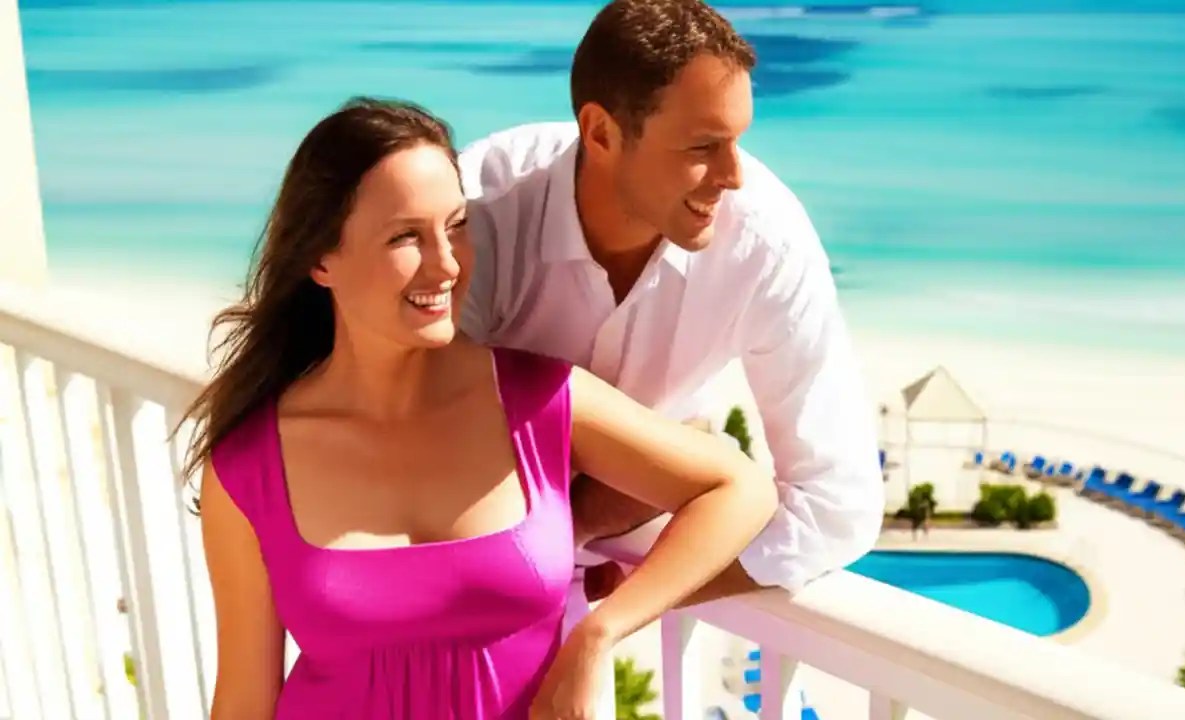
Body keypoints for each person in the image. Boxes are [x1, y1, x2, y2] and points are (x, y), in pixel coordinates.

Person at [181, 97, 776, 720]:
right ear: (320, 259)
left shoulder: (538, 401)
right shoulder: (250, 469)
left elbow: (736, 488)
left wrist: (599, 637)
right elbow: (245, 701)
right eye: (405, 236)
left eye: (457, 225)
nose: (446, 264)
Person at [459, 0, 884, 605]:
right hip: (447, 585)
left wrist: (632, 593)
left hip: (562, 584)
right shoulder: (475, 213)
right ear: (601, 132)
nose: (734, 175)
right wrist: (628, 481)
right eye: (702, 147)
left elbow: (838, 507)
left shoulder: (766, 244)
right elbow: (411, 437)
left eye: (737, 139)